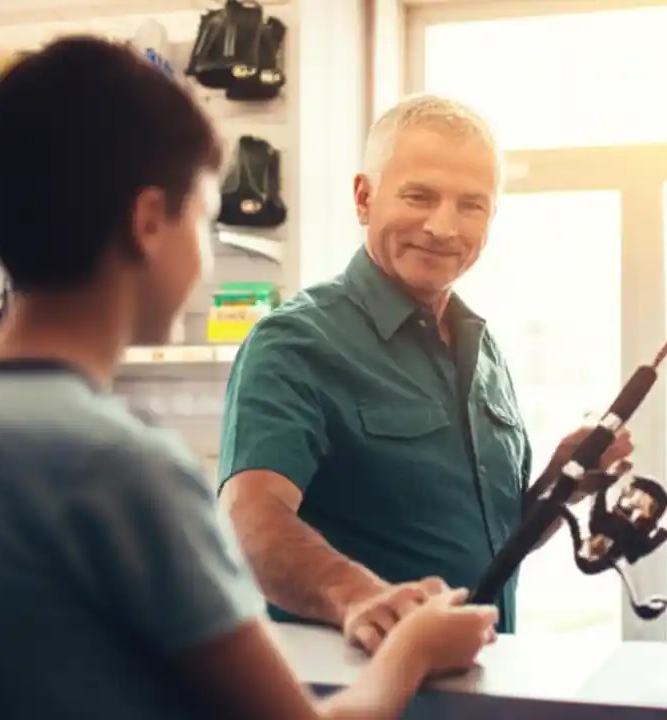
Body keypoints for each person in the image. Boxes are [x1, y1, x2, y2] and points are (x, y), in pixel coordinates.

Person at [0, 38, 496, 720]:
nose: (202, 259)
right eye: (203, 219)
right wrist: (409, 648)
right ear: (148, 224)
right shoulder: (117, 463)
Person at [218, 93, 633, 655]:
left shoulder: (483, 351)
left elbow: (497, 544)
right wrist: (358, 597)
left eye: (471, 205)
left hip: (482, 684)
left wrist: (563, 482)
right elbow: (251, 519)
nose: (443, 226)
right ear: (364, 198)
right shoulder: (294, 343)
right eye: (419, 196)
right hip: (354, 695)